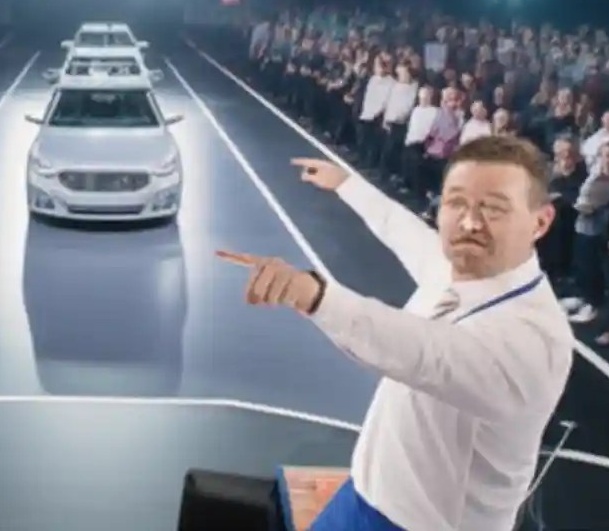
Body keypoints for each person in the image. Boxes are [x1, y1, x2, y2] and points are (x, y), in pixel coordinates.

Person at [219, 135, 573, 531]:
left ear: (540, 221)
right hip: (367, 495)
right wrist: (347, 185)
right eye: (457, 202)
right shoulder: (460, 268)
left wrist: (316, 296)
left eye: (493, 208)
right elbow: (405, 232)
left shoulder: (537, 339)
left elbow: (423, 354)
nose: (470, 222)